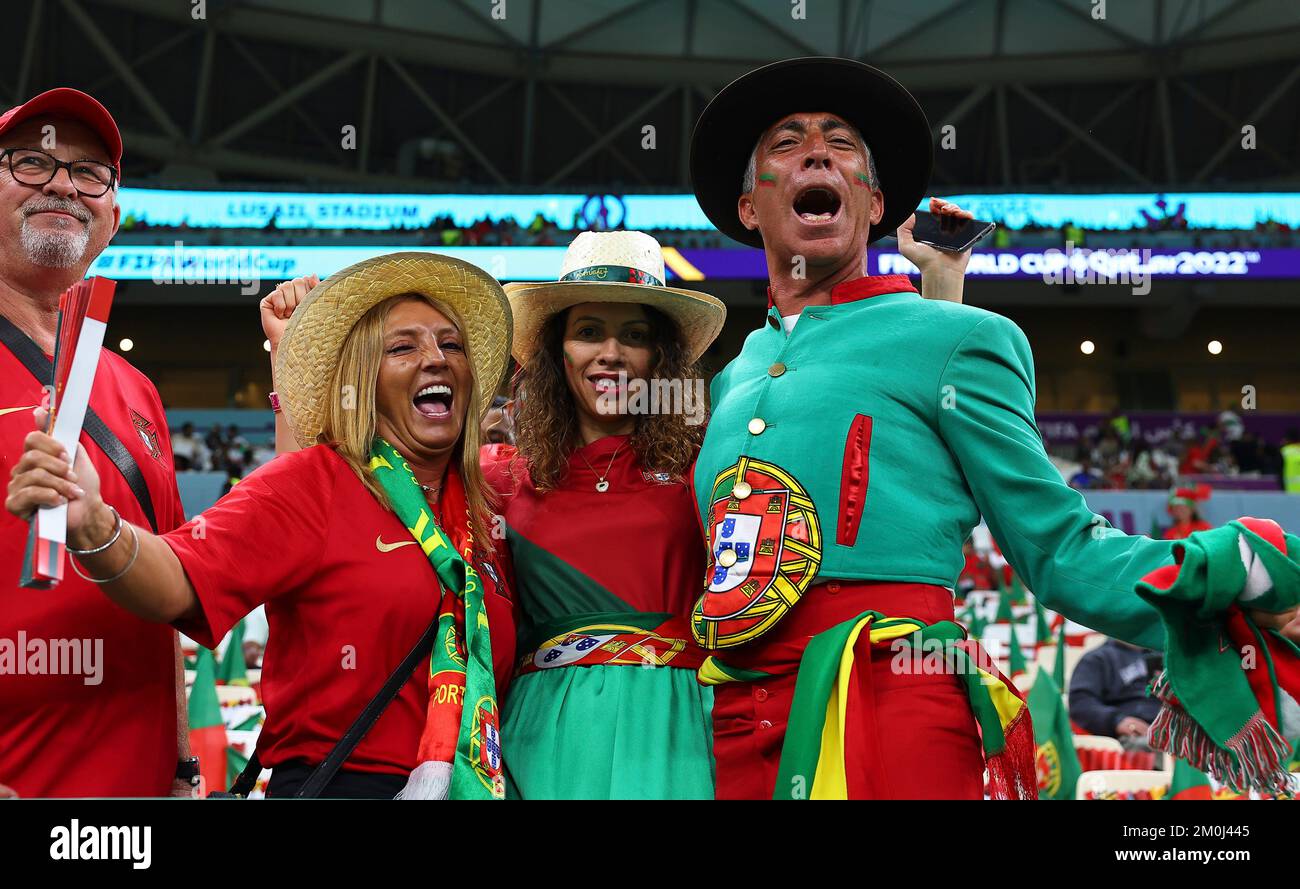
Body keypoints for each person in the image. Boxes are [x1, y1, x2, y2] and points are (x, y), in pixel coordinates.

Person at [686, 57, 1300, 800]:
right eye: (786, 143)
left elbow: (1059, 548)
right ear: (750, 207)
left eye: (840, 142)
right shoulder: (730, 376)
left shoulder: (965, 341)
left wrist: (1225, 584)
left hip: (891, 704)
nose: (817, 149)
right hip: (723, 716)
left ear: (876, 204)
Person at [7, 252, 517, 799]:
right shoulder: (314, 485)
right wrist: (95, 525)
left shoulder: (494, 507)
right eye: (402, 347)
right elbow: (180, 577)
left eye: (452, 345)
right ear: (362, 382)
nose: (436, 360)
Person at [0, 88, 192, 798]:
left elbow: (169, 595)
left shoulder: (137, 390)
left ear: (111, 216)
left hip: (134, 797)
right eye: (30, 162)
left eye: (89, 173)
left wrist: (183, 762)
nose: (61, 183)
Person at [487, 230, 725, 798]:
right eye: (588, 332)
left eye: (634, 336)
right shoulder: (500, 476)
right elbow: (343, 496)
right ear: (557, 351)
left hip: (677, 731)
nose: (610, 354)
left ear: (660, 356)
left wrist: (939, 281)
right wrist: (288, 371)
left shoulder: (709, 463)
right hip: (539, 737)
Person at [1068, 639, 1162, 741]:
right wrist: (1117, 721)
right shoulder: (1096, 659)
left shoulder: (1164, 652)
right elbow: (1081, 704)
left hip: (1171, 725)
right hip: (1132, 734)